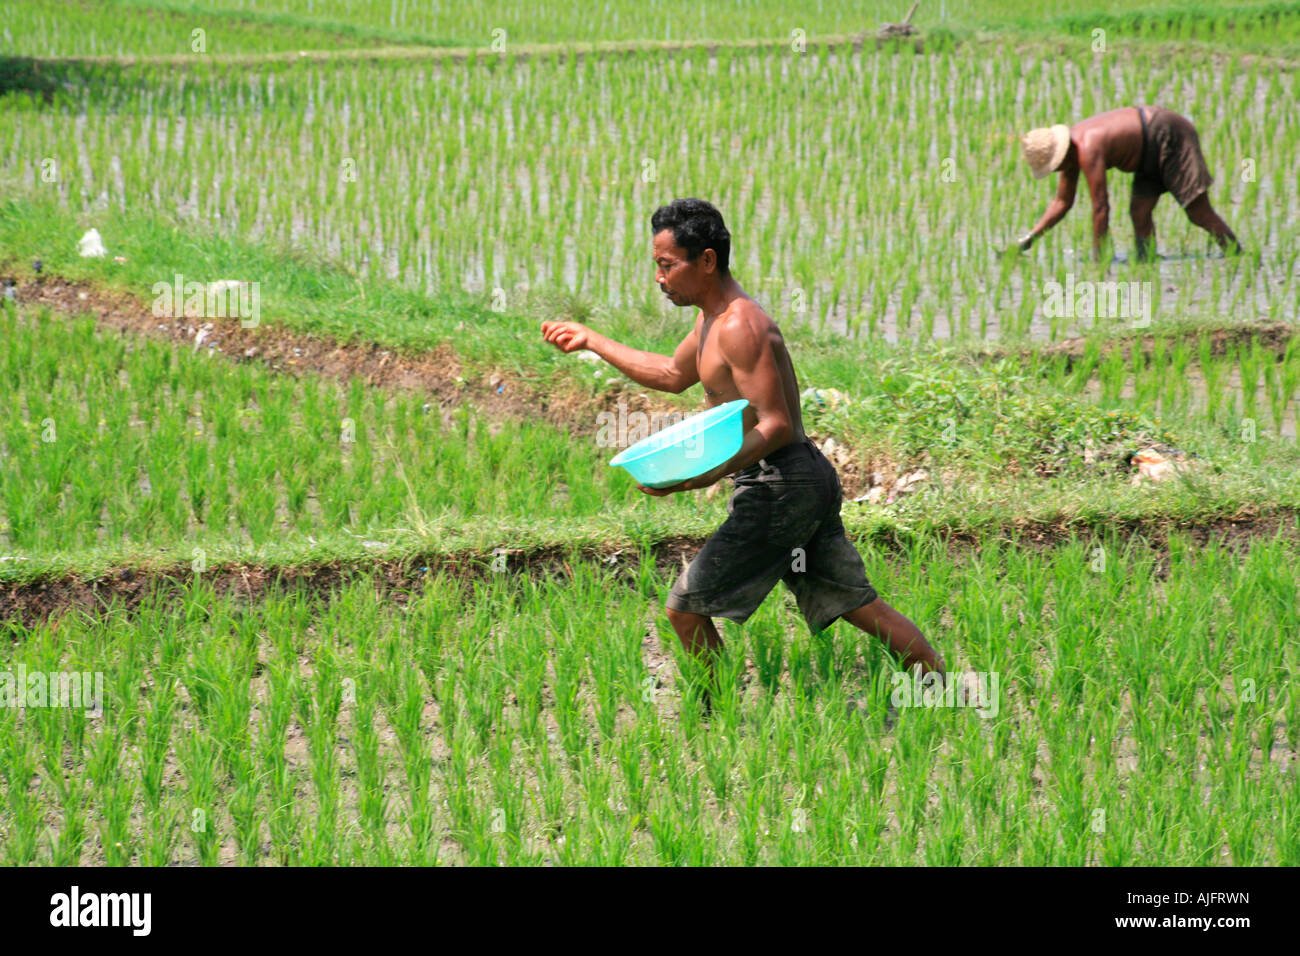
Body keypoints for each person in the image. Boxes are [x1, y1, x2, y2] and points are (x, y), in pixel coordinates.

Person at [541, 198, 944, 707]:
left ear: (706, 261)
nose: (660, 279)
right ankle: (941, 689)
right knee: (853, 602)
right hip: (797, 482)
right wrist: (593, 341)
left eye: (668, 265)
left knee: (685, 609)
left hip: (781, 484)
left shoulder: (739, 326)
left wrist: (699, 477)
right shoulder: (710, 321)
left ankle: (716, 715)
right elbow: (671, 374)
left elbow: (774, 424)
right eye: (656, 266)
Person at [1017, 107, 1240, 261]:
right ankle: (1146, 260)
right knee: (1139, 212)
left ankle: (1236, 254)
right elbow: (1062, 201)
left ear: (1061, 154)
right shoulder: (1071, 157)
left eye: (1053, 166)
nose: (1056, 171)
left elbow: (1101, 207)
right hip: (1145, 151)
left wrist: (1099, 259)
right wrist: (1030, 238)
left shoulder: (1087, 148)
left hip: (1168, 133)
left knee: (1198, 212)